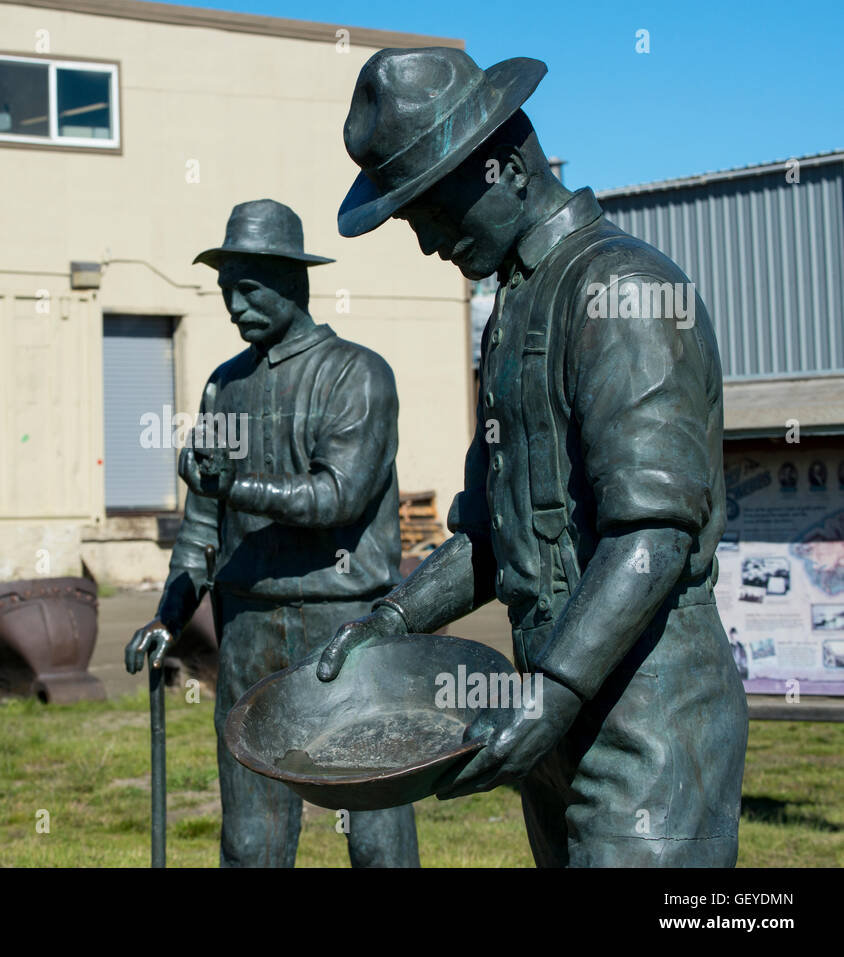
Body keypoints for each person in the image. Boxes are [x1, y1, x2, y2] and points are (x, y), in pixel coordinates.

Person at [318, 48, 747, 866]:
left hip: (650, 718)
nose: (426, 242)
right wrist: (393, 620)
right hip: (556, 713)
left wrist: (550, 693)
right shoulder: (511, 318)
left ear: (508, 168)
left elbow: (652, 537)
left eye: (432, 210)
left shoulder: (621, 293)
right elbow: (492, 536)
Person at [125, 199, 419, 867]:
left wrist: (235, 485)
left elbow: (339, 494)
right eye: (226, 288)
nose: (233, 304)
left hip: (346, 625)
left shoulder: (357, 374)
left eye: (248, 286)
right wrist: (170, 612)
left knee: (375, 831)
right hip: (249, 626)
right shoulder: (223, 387)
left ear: (293, 281)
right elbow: (203, 521)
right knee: (250, 837)